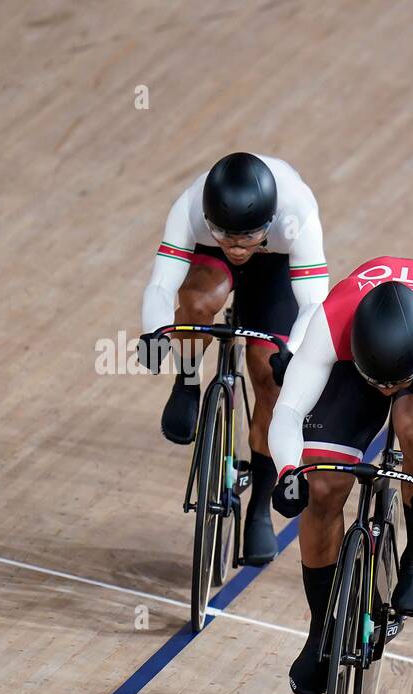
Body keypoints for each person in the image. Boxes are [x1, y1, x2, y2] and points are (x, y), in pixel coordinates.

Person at [268, 258, 413, 694]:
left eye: (394, 382)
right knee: (323, 488)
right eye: (379, 383)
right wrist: (290, 472)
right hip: (355, 363)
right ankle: (319, 632)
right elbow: (288, 411)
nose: (386, 390)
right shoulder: (332, 323)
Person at [139, 152, 329, 564]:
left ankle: (258, 510)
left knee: (269, 374)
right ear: (210, 222)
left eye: (246, 239)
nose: (238, 249)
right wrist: (156, 332)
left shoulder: (298, 212)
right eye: (228, 237)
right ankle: (187, 384)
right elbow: (160, 285)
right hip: (212, 261)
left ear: (269, 221)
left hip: (275, 265)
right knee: (195, 301)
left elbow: (315, 304)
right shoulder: (190, 208)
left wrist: (291, 352)